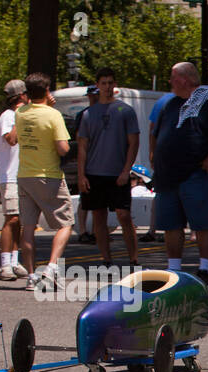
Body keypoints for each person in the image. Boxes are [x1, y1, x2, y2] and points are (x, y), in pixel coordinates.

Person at [151, 62, 208, 285]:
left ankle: (204, 269)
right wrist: (154, 154)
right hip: (167, 175)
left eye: (173, 77)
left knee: (202, 224)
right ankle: (174, 269)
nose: (170, 82)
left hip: (196, 173)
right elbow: (156, 130)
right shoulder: (170, 104)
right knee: (171, 224)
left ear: (184, 79)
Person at [15, 72, 74, 290]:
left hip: (25, 174)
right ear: (47, 91)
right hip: (48, 174)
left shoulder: (20, 113)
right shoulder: (53, 115)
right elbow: (63, 147)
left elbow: (16, 138)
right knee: (65, 224)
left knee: (28, 226)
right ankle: (50, 267)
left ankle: (31, 276)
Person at [77, 68, 140, 265]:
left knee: (124, 215)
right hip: (94, 173)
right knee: (98, 217)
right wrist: (81, 175)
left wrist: (125, 170)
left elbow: (134, 143)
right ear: (97, 86)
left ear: (115, 85)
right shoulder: (88, 115)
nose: (107, 87)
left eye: (110, 82)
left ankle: (133, 258)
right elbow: (82, 147)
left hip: (117, 174)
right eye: (103, 83)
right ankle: (106, 259)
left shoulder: (126, 111)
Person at [0, 79, 28, 281]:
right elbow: (11, 139)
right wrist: (20, 115)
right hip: (9, 175)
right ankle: (5, 264)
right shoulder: (8, 116)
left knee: (20, 221)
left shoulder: (21, 114)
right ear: (21, 96)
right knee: (11, 218)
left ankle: (15, 261)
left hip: (23, 173)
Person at [139, 91, 176, 243]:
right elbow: (153, 129)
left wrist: (152, 153)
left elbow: (152, 129)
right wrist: (152, 153)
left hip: (172, 157)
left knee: (161, 193)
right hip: (169, 158)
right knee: (161, 193)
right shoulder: (165, 101)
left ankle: (153, 230)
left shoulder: (163, 101)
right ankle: (153, 230)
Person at [73, 85, 100, 244]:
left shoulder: (106, 112)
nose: (93, 98)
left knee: (100, 200)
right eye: (90, 95)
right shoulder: (83, 115)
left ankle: (98, 232)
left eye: (95, 95)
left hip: (103, 161)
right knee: (85, 198)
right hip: (88, 161)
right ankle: (83, 231)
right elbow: (79, 138)